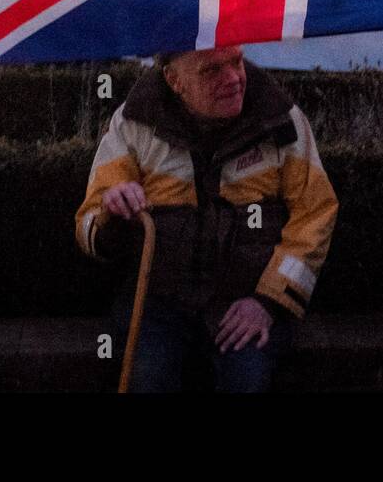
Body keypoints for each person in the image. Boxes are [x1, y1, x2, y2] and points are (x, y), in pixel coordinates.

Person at [76, 45, 337, 392]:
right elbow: (89, 222)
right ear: (173, 80)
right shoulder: (133, 122)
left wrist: (268, 302)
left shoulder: (282, 121)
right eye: (211, 70)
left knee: (247, 384)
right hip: (159, 303)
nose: (233, 79)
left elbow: (316, 213)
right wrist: (113, 211)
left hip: (245, 302)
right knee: (147, 381)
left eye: (237, 61)